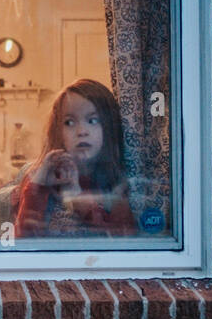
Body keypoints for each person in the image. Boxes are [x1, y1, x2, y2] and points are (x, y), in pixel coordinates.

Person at [13, 79, 136, 238]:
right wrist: (38, 185)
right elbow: (24, 243)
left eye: (93, 120)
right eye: (69, 122)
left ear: (109, 127)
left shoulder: (116, 183)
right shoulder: (41, 177)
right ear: (58, 131)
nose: (82, 131)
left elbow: (124, 243)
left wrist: (78, 198)